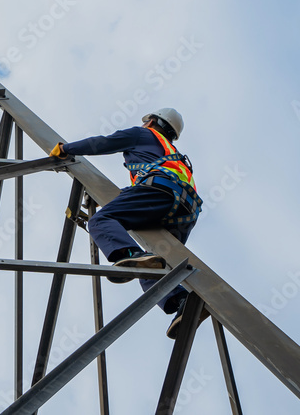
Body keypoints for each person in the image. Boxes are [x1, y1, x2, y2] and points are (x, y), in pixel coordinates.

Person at [49, 108, 205, 339]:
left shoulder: (143, 135)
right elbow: (140, 195)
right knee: (151, 268)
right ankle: (182, 301)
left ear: (152, 121)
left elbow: (101, 143)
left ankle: (131, 253)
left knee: (101, 222)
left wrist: (66, 149)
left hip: (161, 192)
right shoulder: (173, 154)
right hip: (186, 211)